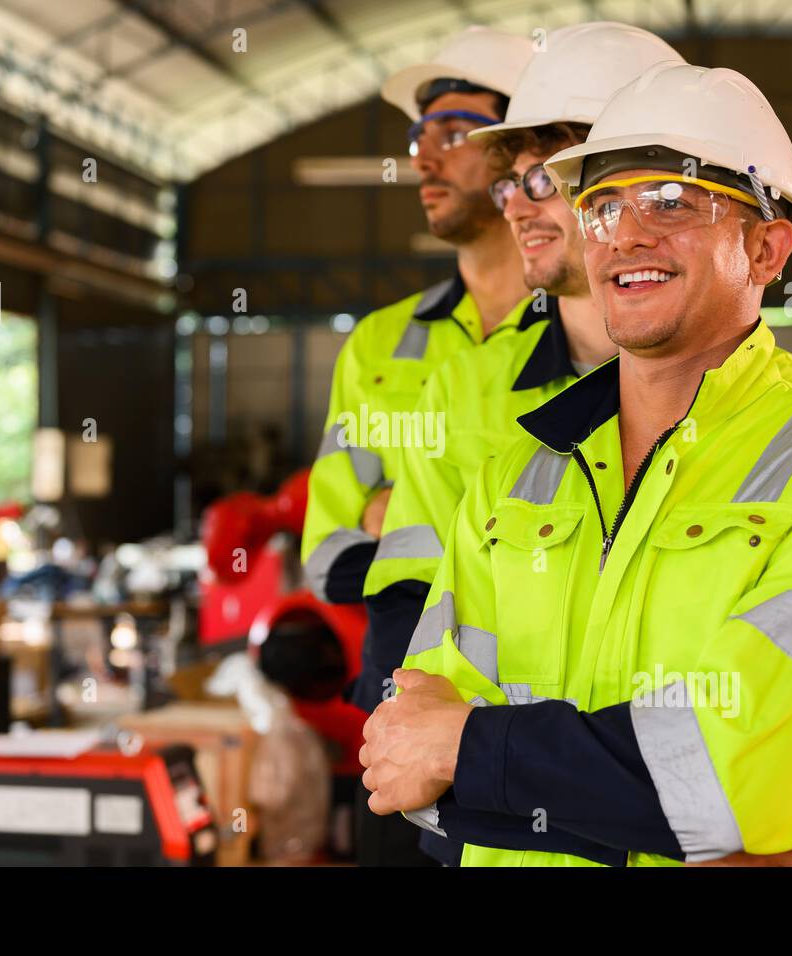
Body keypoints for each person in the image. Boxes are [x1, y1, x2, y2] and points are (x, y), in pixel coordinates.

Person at [359, 62, 792, 867]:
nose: (626, 235)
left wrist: (474, 755)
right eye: (602, 208)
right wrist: (703, 839)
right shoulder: (513, 475)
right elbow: (405, 760)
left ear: (766, 248)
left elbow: (736, 783)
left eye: (672, 202)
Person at [300, 26, 537, 866]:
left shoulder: (597, 337)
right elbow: (331, 552)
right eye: (417, 137)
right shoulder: (379, 345)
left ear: (525, 151)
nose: (423, 159)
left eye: (453, 132)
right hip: (394, 704)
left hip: (542, 711)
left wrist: (406, 507)